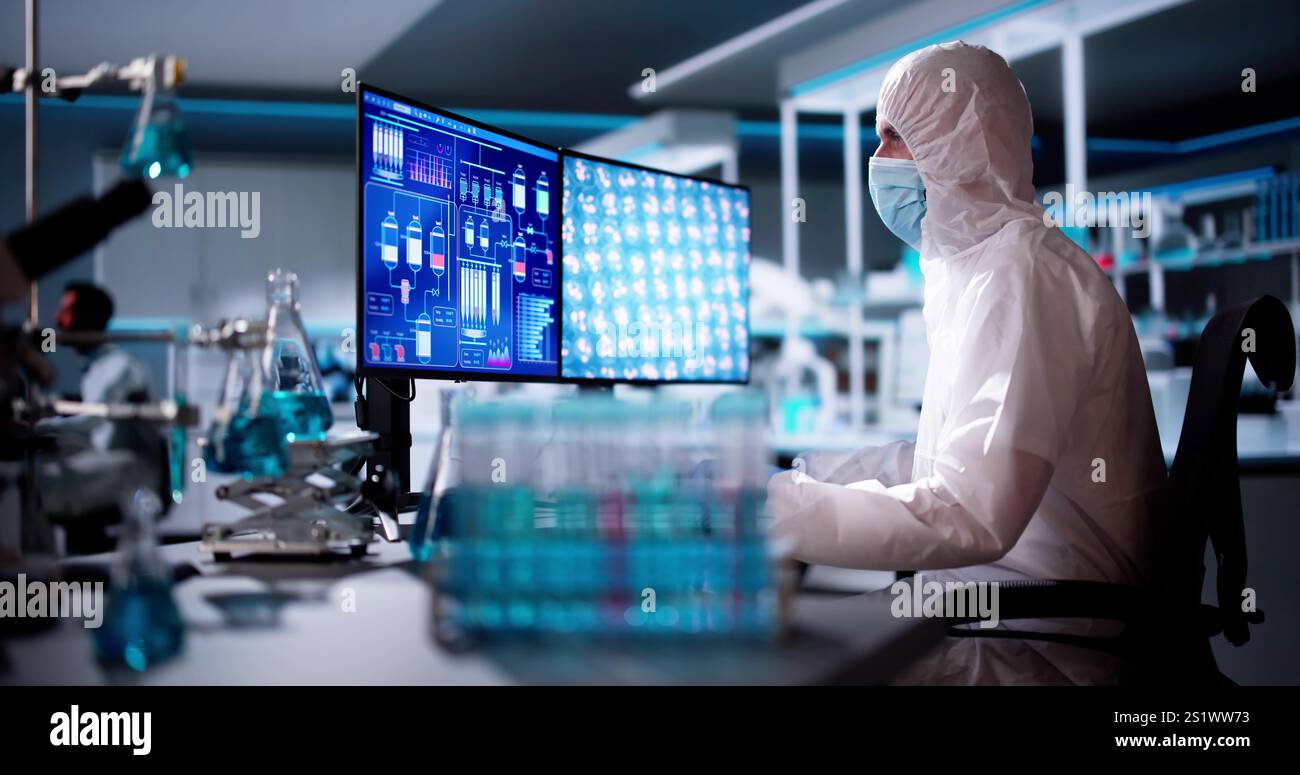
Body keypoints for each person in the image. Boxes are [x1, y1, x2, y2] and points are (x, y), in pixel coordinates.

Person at [767, 42, 1167, 683]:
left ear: (956, 143)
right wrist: (798, 479)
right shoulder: (985, 269)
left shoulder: (1023, 272)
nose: (878, 161)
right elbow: (936, 465)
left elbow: (971, 511)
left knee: (775, 666)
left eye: (894, 136)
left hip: (1042, 643)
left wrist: (773, 515)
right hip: (997, 610)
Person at [38, 282, 163, 551]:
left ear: (91, 319)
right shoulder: (97, 368)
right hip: (110, 457)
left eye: (67, 312)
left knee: (41, 483)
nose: (57, 320)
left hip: (134, 469)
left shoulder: (118, 367)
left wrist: (38, 426)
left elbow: (94, 420)